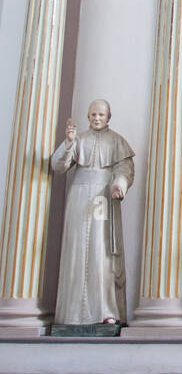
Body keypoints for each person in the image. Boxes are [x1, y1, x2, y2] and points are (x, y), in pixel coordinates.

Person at [51, 99, 134, 328]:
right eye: (93, 115)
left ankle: (105, 310)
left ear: (108, 117)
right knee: (76, 250)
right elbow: (58, 166)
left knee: (100, 249)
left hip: (101, 198)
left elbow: (124, 169)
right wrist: (68, 143)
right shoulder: (79, 139)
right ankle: (72, 312)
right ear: (88, 117)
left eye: (101, 114)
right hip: (79, 198)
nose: (97, 118)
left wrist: (119, 184)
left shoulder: (117, 141)